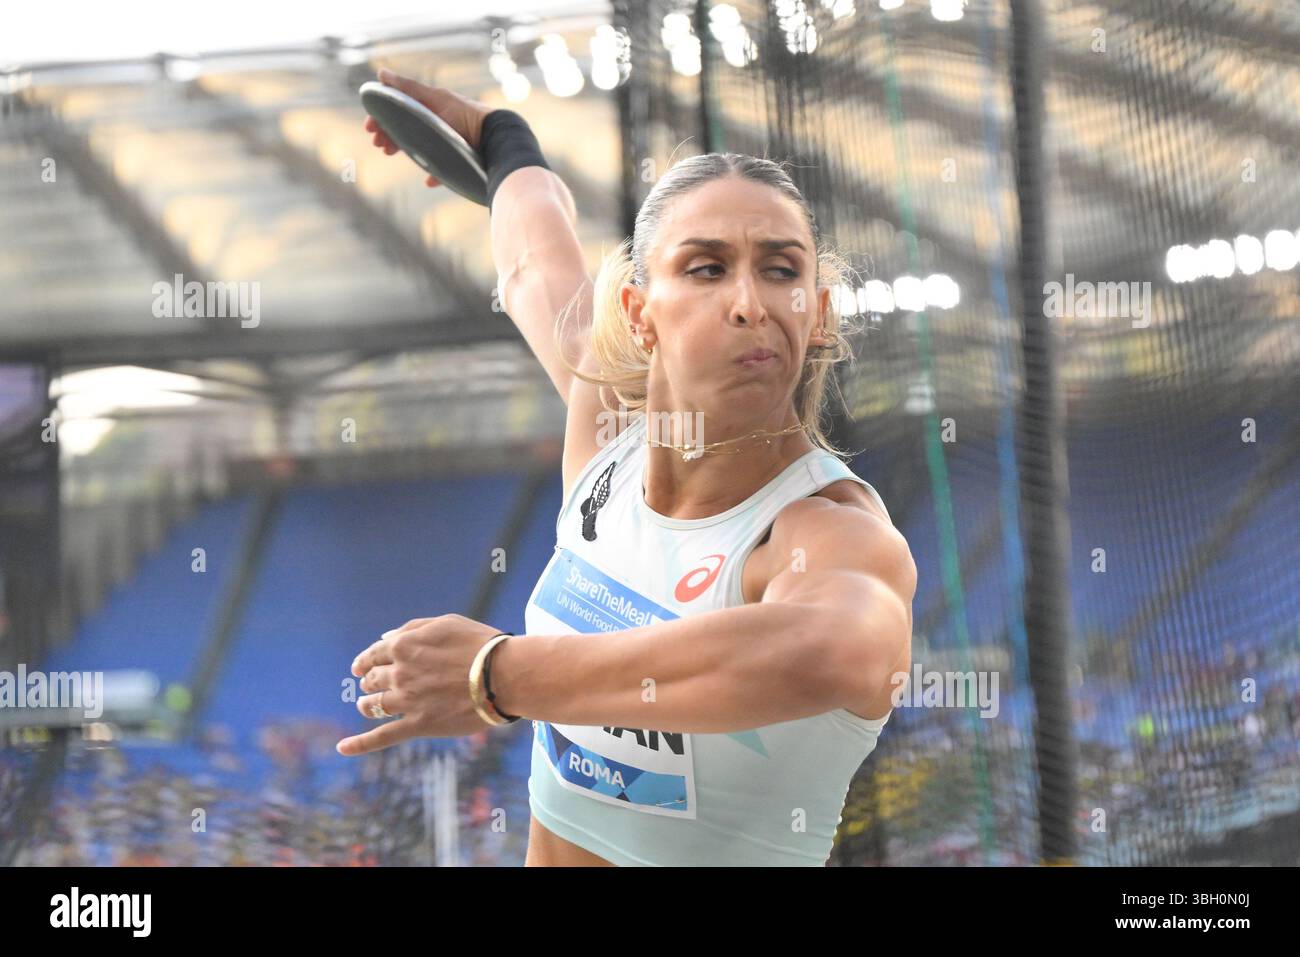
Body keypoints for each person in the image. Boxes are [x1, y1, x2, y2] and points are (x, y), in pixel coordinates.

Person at [339, 69, 916, 866]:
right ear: (640, 314)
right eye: (707, 268)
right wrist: (503, 141)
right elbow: (534, 265)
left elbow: (838, 648)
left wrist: (497, 674)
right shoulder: (607, 437)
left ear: (815, 315)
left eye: (781, 270)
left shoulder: (827, 528)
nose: (749, 300)